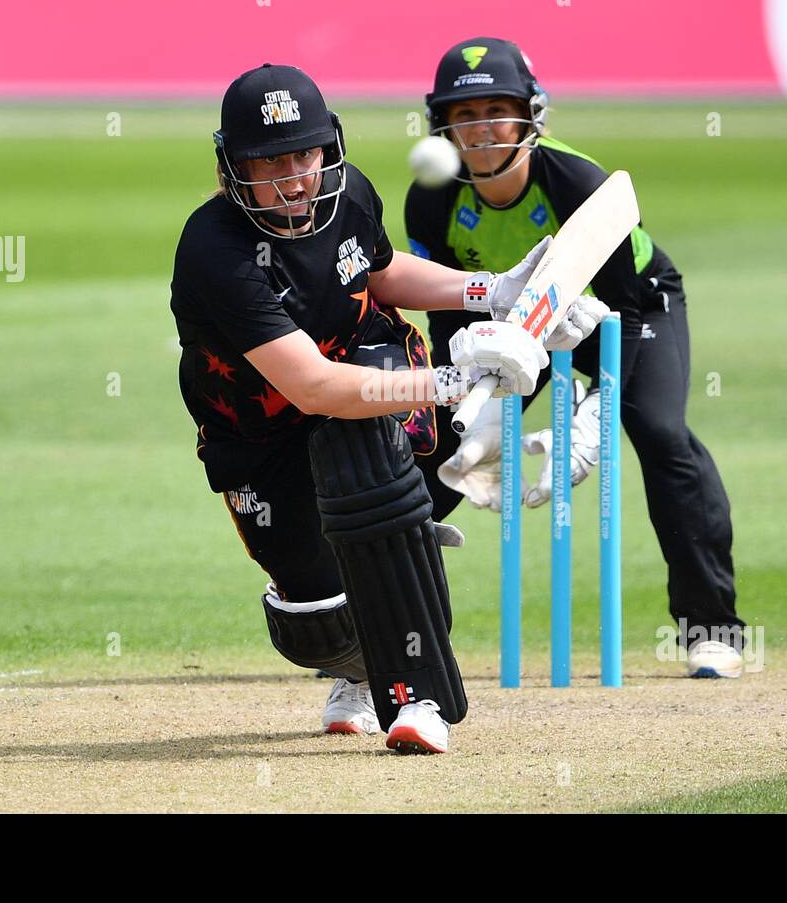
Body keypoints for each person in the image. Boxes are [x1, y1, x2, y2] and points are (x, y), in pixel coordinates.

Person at [170, 63, 605, 753]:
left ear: (329, 145)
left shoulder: (348, 194)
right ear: (232, 168)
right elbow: (313, 387)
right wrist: (455, 380)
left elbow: (378, 270)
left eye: (306, 154)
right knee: (312, 620)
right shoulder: (215, 252)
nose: (295, 179)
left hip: (368, 363)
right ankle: (361, 665)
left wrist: (490, 290)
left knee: (366, 465)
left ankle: (418, 696)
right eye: (271, 162)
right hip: (258, 431)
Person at [406, 39, 747, 678]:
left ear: (530, 115)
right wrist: (470, 396)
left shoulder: (577, 184)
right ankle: (369, 628)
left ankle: (712, 629)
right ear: (442, 125)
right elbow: (450, 314)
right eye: (463, 115)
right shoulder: (430, 199)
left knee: (658, 431)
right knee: (442, 445)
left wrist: (596, 409)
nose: (480, 130)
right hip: (517, 323)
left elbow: (623, 306)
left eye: (496, 111)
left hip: (624, 312)